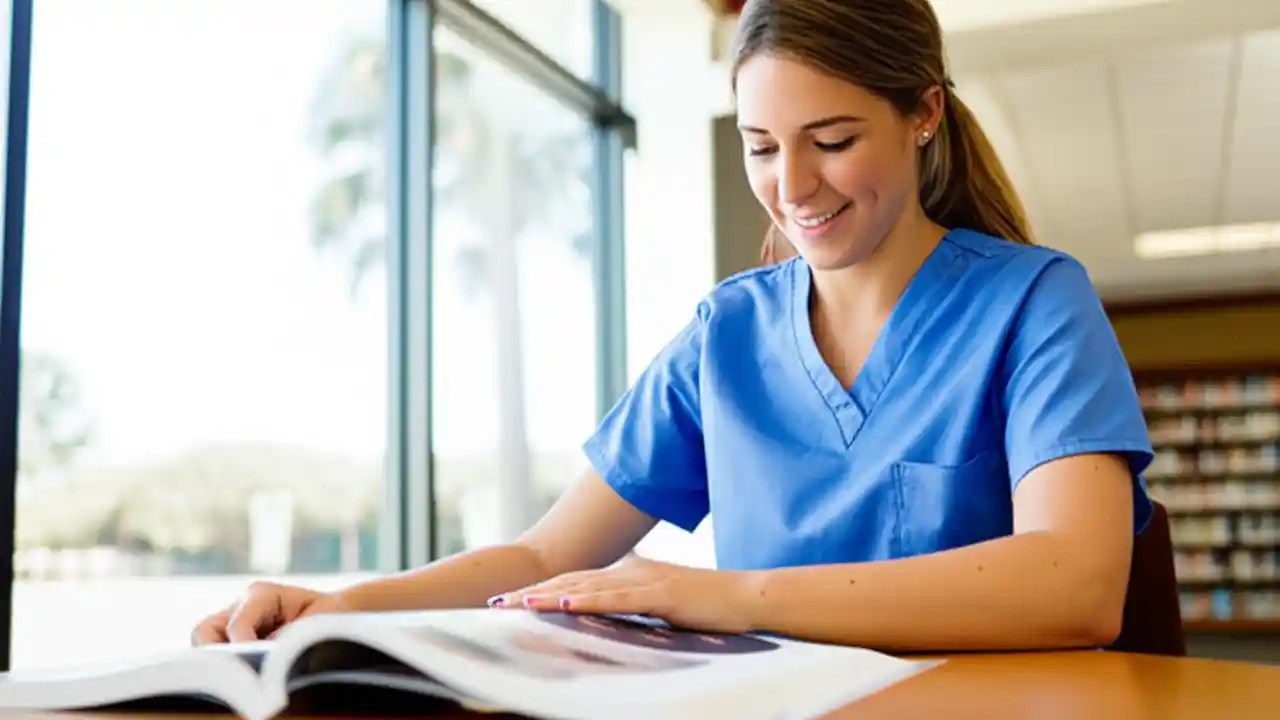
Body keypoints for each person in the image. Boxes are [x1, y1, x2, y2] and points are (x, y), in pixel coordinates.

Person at [193, 0, 1154, 653]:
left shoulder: (1033, 305)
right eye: (762, 147)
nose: (792, 187)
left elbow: (1074, 585)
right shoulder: (729, 334)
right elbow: (543, 555)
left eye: (833, 141)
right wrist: (343, 605)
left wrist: (722, 596)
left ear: (924, 114)